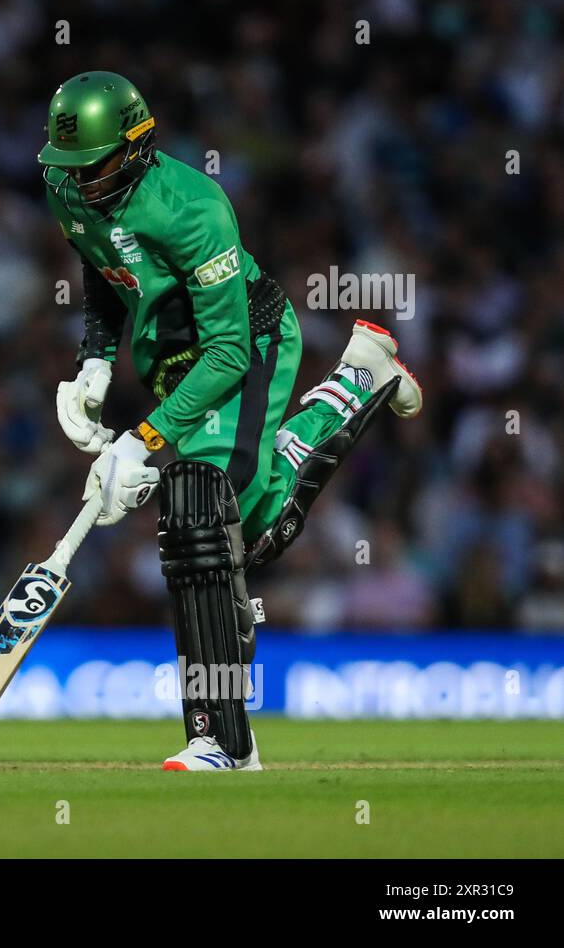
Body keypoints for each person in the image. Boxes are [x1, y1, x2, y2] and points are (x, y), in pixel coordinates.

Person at [37, 71, 422, 771]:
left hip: (246, 348)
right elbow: (101, 264)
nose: (80, 186)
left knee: (198, 517)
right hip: (171, 365)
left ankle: (221, 740)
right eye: (68, 172)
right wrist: (93, 359)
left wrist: (141, 441)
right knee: (234, 533)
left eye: (93, 170)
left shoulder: (194, 208)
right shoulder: (68, 186)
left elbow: (227, 349)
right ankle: (361, 376)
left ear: (136, 147)